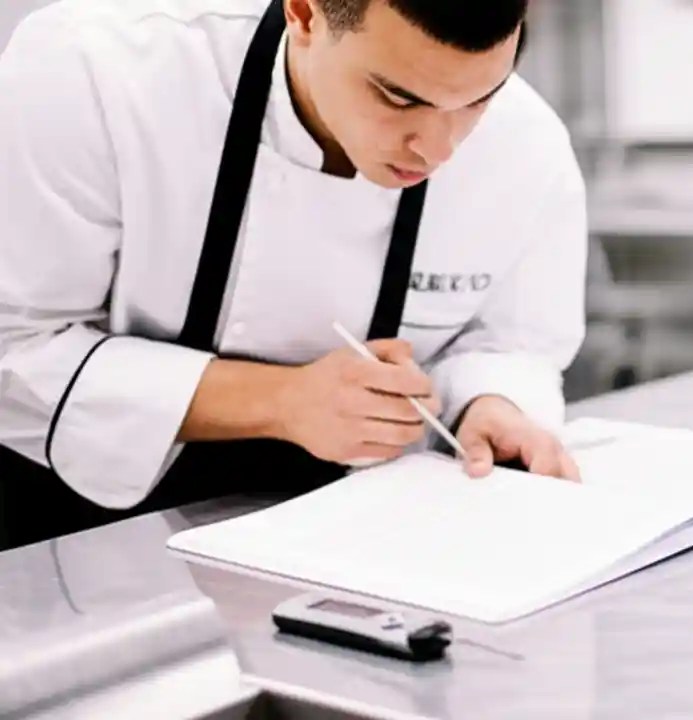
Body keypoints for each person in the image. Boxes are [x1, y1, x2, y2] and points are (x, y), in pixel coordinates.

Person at [0, 0, 585, 549]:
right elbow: (15, 351)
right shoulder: (92, 71)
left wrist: (492, 404)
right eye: (398, 98)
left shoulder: (527, 145)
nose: (438, 148)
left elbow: (511, 342)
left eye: (480, 99)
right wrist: (284, 402)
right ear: (304, 13)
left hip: (351, 545)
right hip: (75, 540)